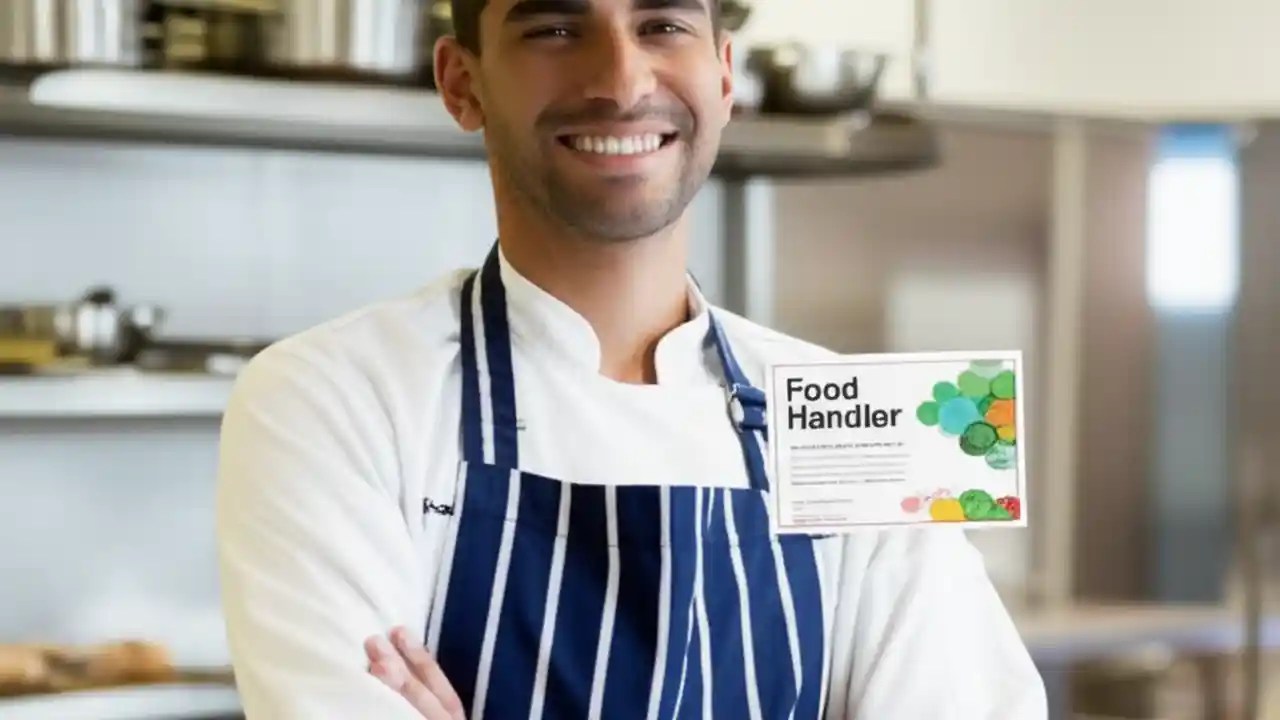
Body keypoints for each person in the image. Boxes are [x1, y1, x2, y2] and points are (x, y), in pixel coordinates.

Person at [214, 0, 1048, 717]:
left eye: (661, 23)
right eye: (553, 28)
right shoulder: (325, 398)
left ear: (725, 75)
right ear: (462, 82)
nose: (620, 80)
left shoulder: (861, 414)